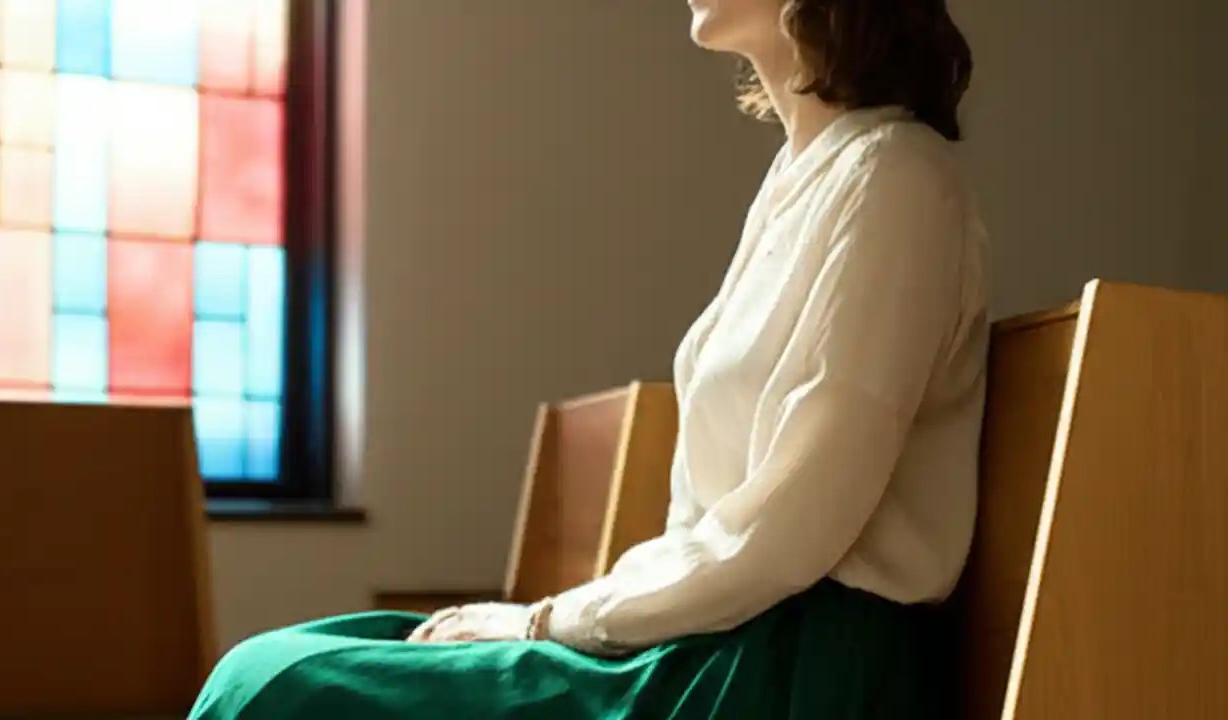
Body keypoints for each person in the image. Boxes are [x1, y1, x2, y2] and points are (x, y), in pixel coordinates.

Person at [190, 0, 988, 717]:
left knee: (284, 691)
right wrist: (579, 617)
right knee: (295, 660)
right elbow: (722, 530)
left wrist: (546, 621)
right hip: (730, 627)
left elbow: (792, 530)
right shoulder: (801, 179)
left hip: (795, 668)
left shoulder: (898, 177)